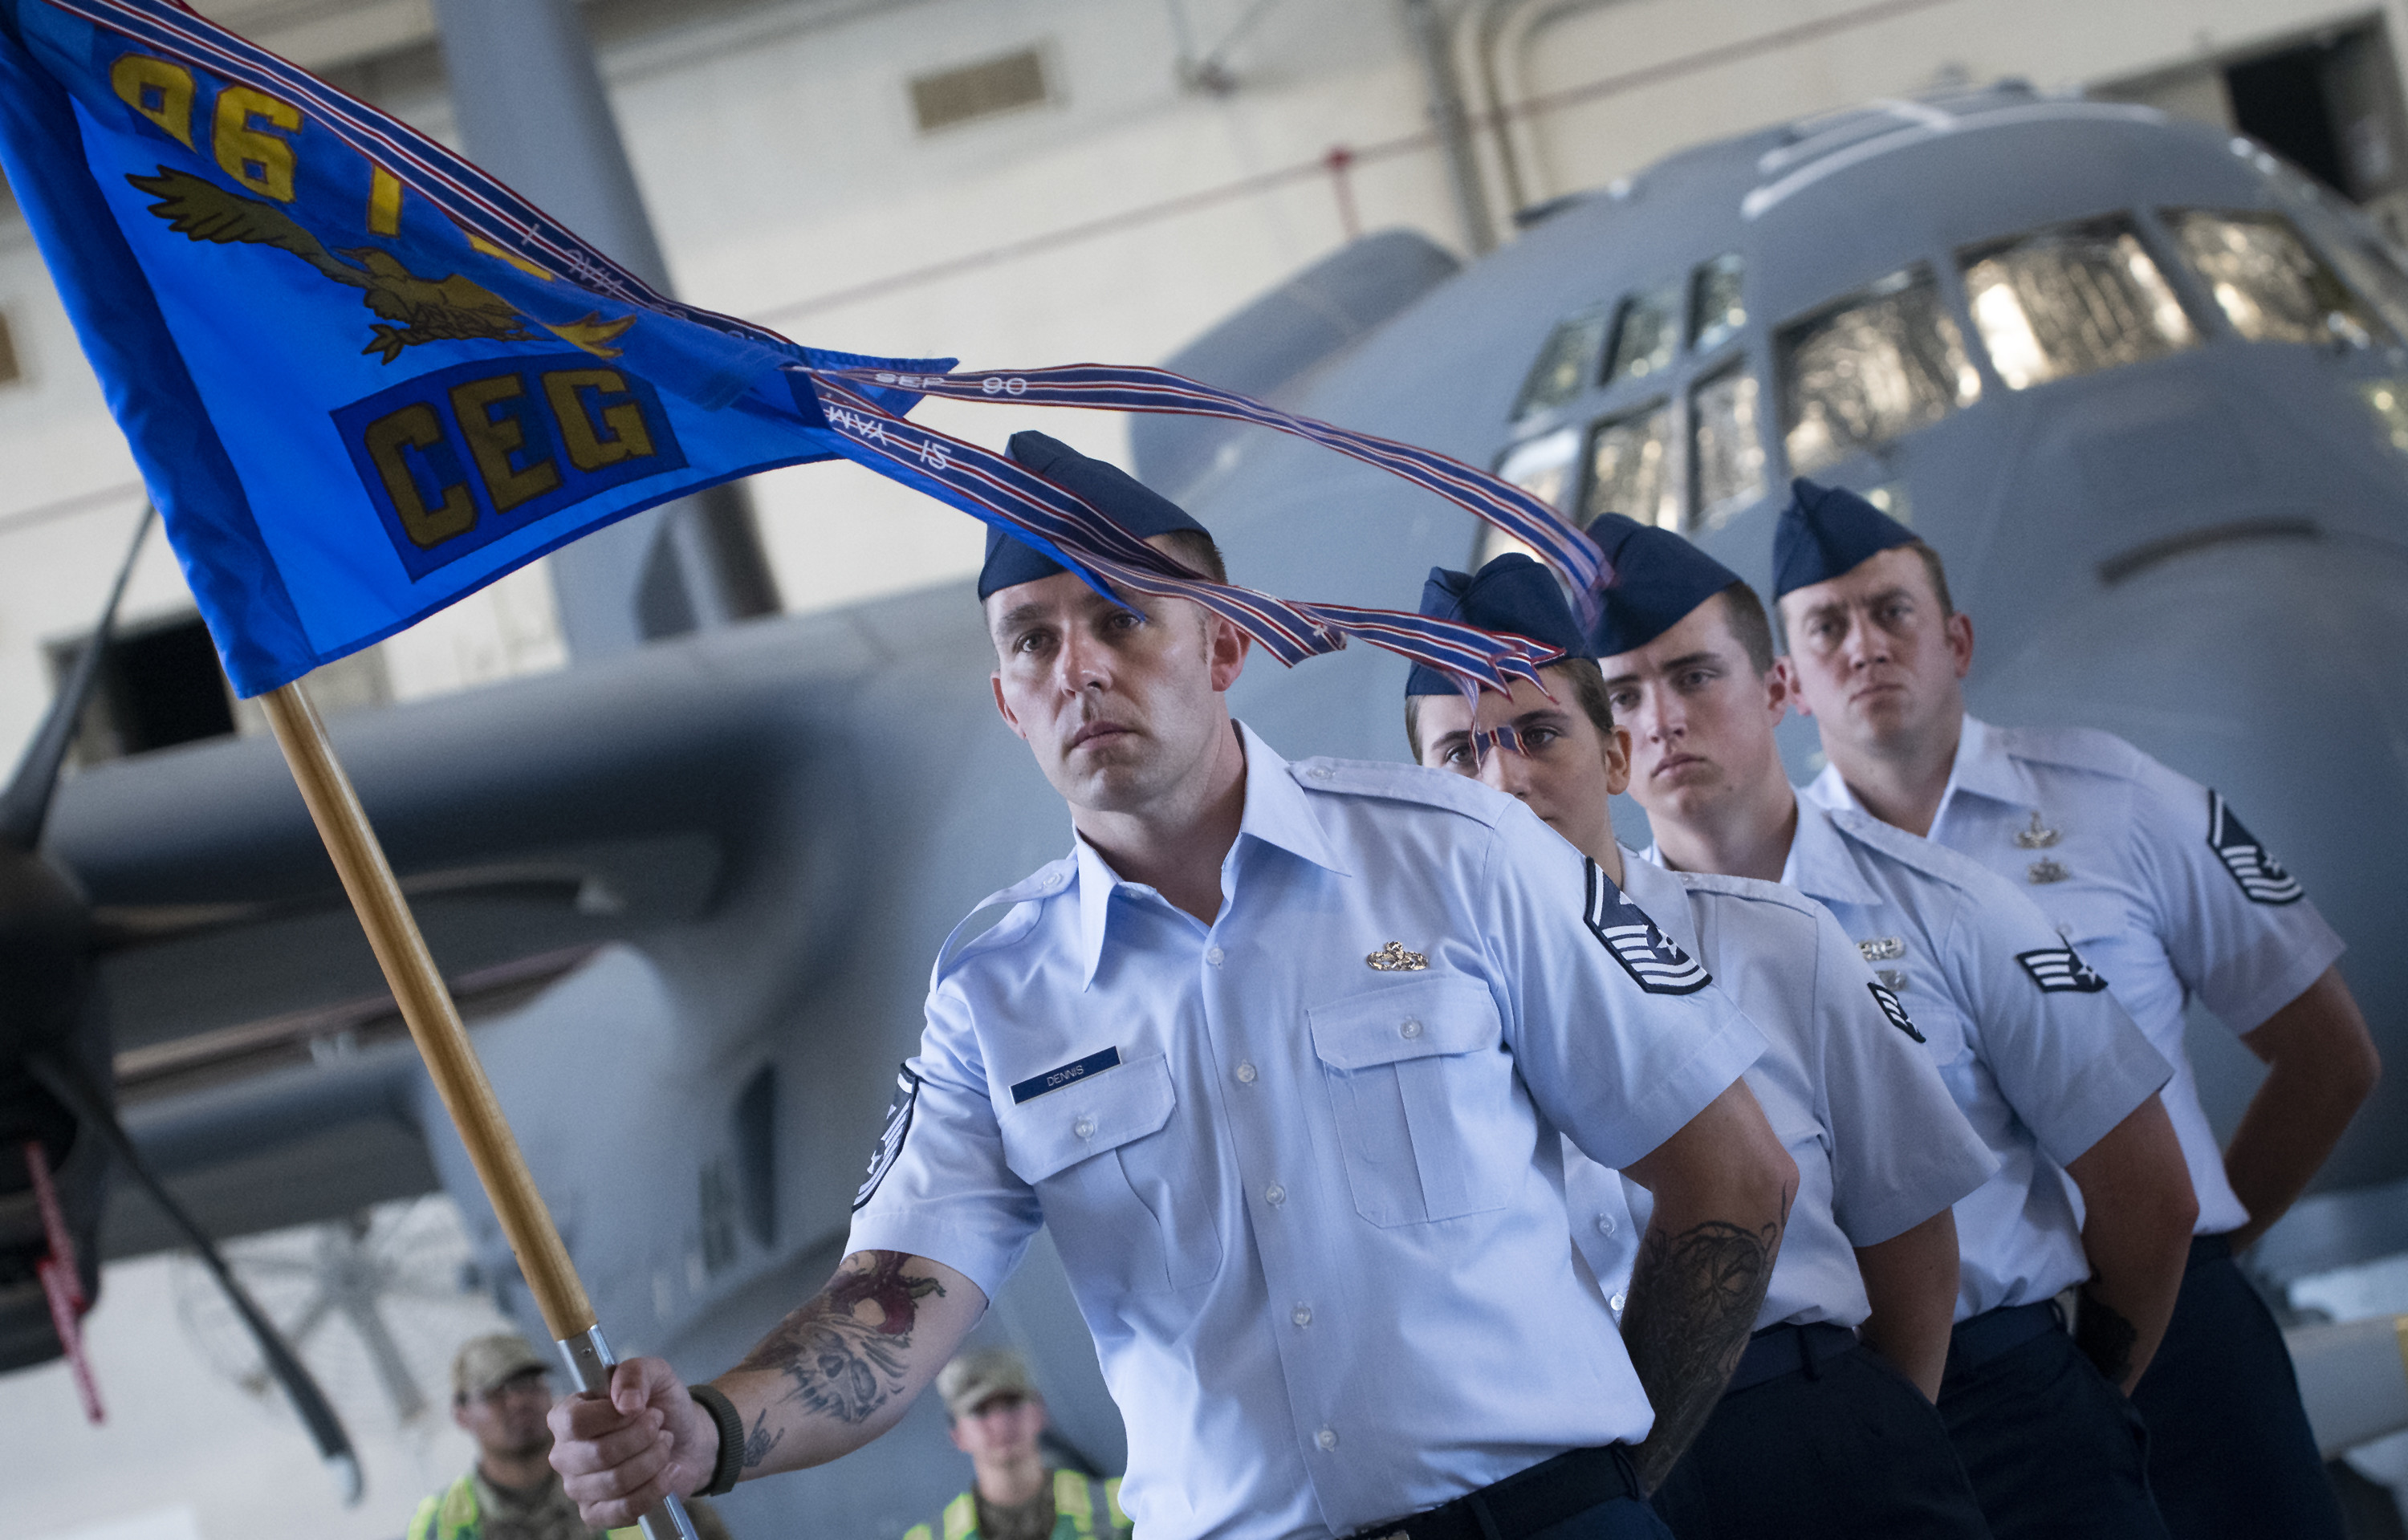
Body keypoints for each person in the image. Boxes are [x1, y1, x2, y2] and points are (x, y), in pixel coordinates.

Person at [550, 432, 1800, 1540]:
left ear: (1227, 642)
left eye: (1122, 616)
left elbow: (1733, 1175)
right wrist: (711, 1426)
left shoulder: (1457, 855)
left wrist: (1623, 1474)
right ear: (1007, 701)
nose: (1078, 666)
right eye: (1034, 639)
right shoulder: (998, 990)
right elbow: (895, 1302)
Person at [1771, 477, 2381, 1540]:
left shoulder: (2116, 799)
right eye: (1829, 625)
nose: (1864, 645)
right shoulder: (1780, 899)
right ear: (1788, 682)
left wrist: (2209, 1252)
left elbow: (2329, 1053)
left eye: (1892, 610)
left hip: (2188, 1331)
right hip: (1981, 1364)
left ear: (1956, 638)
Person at [1585, 512, 2199, 1540]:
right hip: (1773, 1448)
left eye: (1695, 676)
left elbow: (2148, 1193)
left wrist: (2070, 1392)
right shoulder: (1592, 966)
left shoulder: (1948, 904)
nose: (1662, 721)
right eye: (1624, 696)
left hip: (2003, 1407)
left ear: (1779, 688)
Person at [1402, 553, 1997, 1540]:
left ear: (1614, 757)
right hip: (1573, 1485)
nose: (1503, 777)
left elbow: (1912, 1237)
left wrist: (1857, 1429)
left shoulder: (1779, 943)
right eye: (1462, 754)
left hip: (1810, 1431)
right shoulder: (1404, 1016)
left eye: (1539, 733)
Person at [411, 1332, 731, 1540]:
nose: (519, 1400)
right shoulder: (437, 1528)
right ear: (461, 1413)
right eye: (496, 1392)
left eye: (529, 1383)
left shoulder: (625, 1473)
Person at [903, 1347, 1131, 1540]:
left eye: (1012, 1404)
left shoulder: (1126, 1510)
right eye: (980, 1411)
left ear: (1039, 1412)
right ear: (957, 1435)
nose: (1001, 1423)